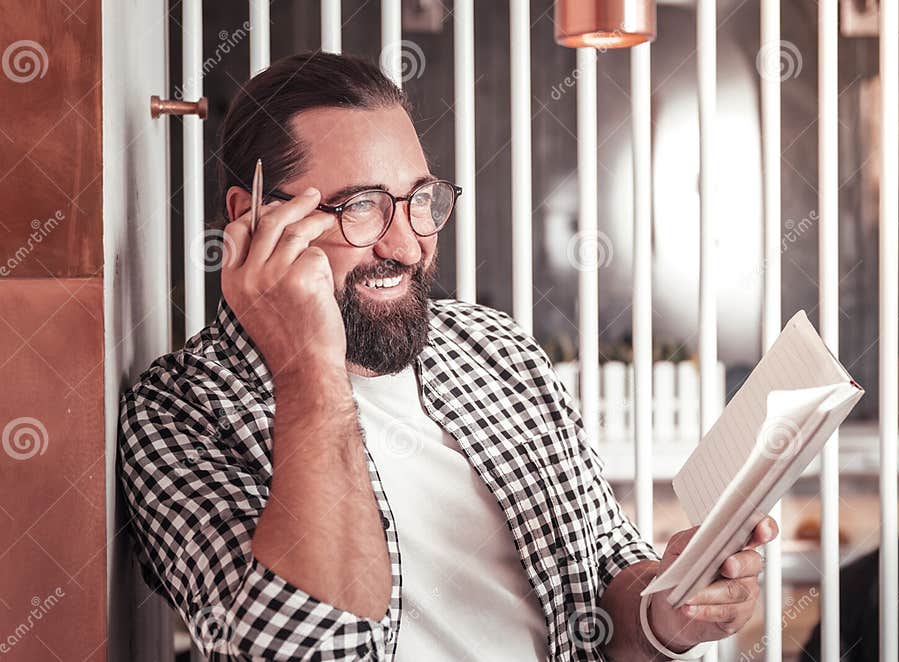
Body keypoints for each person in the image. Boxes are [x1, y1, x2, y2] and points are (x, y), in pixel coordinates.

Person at [117, 51, 777, 661]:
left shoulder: (495, 350)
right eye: (362, 207)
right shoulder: (182, 411)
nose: (406, 246)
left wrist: (667, 611)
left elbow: (599, 587)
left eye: (419, 201)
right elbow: (306, 648)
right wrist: (308, 364)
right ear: (254, 217)